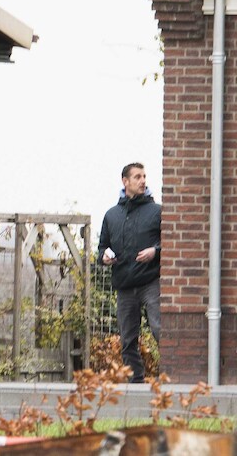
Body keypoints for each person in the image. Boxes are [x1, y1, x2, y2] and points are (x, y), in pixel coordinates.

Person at [99, 162, 162, 383]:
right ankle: (136, 383)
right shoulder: (111, 215)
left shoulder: (157, 211)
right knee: (127, 339)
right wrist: (105, 257)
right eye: (137, 177)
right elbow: (102, 247)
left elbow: (168, 241)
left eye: (144, 176)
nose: (143, 180)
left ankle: (174, 378)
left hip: (151, 282)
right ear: (125, 181)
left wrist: (155, 251)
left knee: (159, 329)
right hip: (124, 284)